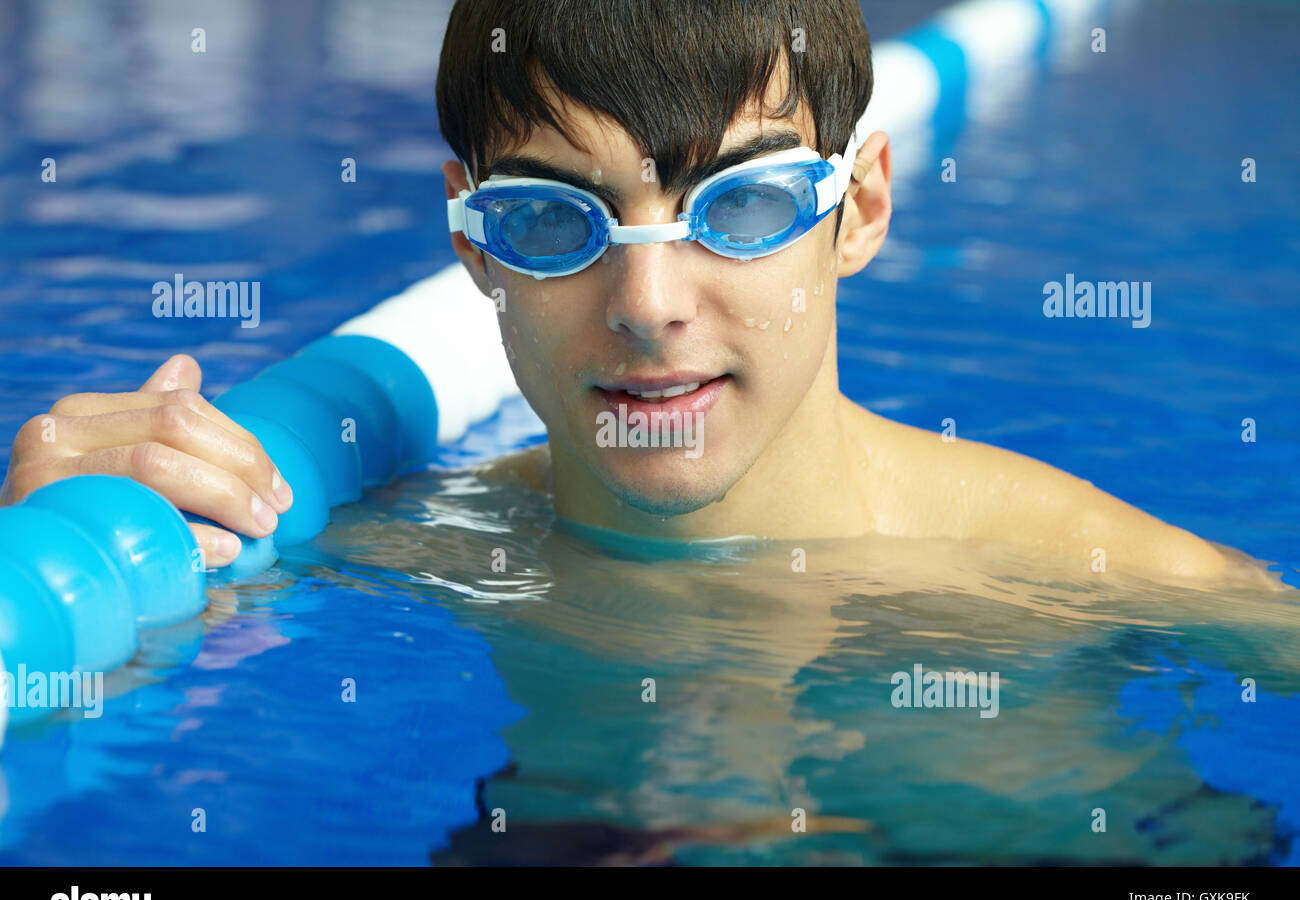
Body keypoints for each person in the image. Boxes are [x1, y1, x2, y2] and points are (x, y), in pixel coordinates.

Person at [0, 0, 1257, 585]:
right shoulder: (410, 550)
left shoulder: (1082, 576)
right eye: (553, 218)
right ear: (471, 243)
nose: (647, 300)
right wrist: (71, 549)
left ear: (859, 208)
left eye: (744, 205)